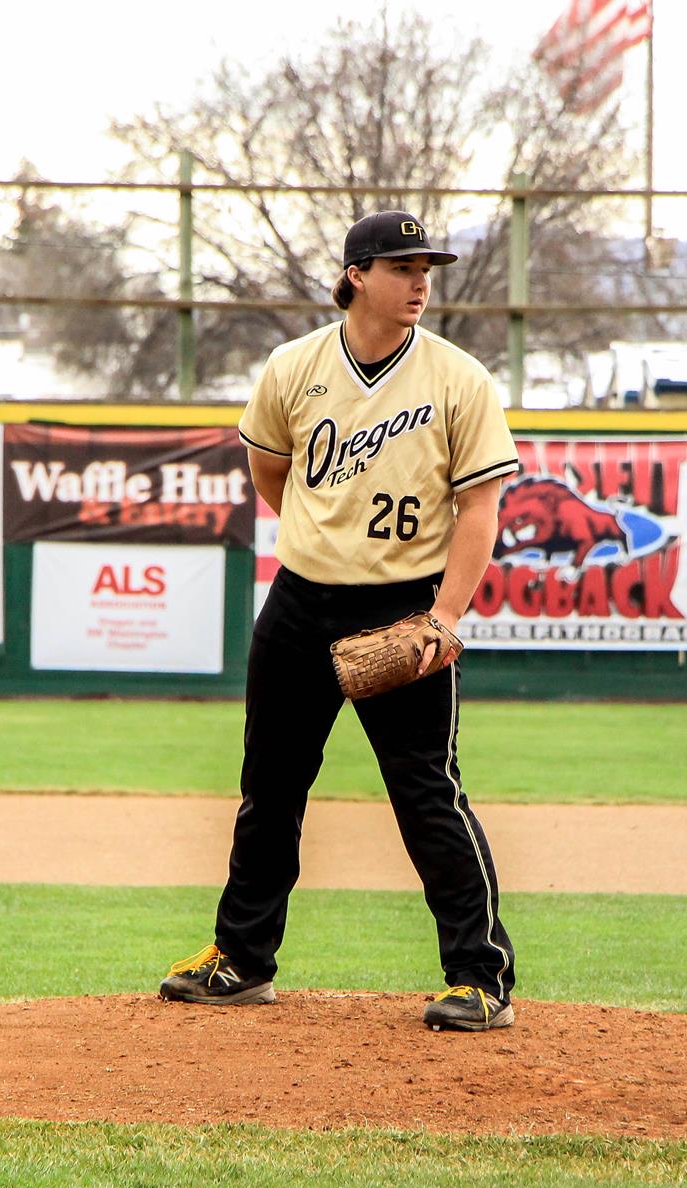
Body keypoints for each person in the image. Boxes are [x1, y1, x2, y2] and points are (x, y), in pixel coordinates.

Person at [159, 210, 521, 1032]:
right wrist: (324, 540)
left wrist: (445, 616)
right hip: (299, 602)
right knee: (269, 790)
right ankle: (243, 960)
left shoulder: (458, 378)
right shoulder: (294, 367)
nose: (421, 281)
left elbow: (480, 508)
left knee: (428, 794)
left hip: (403, 605)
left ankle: (480, 975)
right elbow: (270, 466)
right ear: (357, 274)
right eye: (402, 266)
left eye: (427, 267)